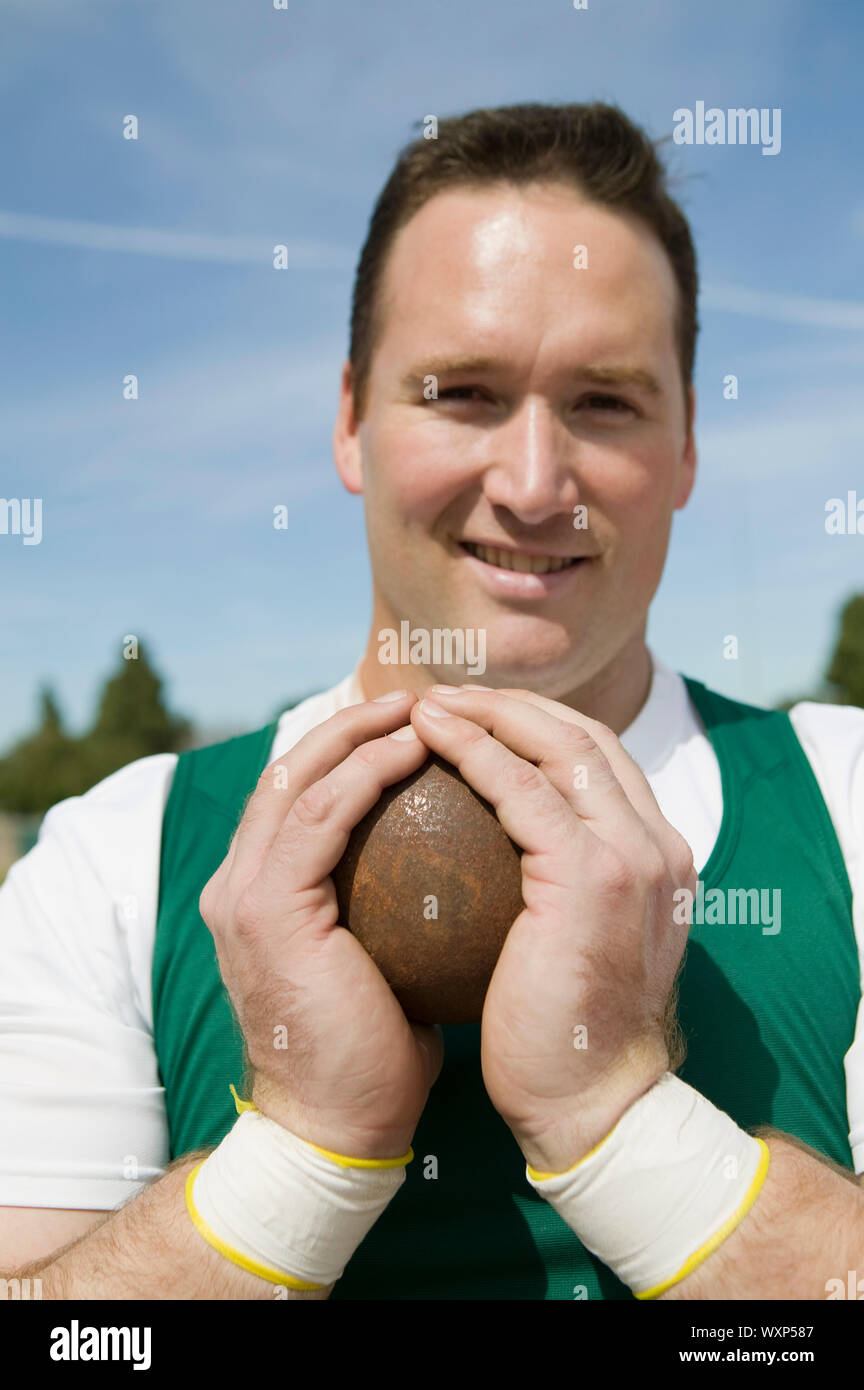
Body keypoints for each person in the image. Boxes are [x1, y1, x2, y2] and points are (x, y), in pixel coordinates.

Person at [1, 102, 862, 1302]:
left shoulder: (847, 800)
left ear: (688, 446)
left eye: (605, 401)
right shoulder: (115, 858)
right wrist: (300, 1153)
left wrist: (621, 1122)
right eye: (463, 391)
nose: (531, 481)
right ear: (352, 418)